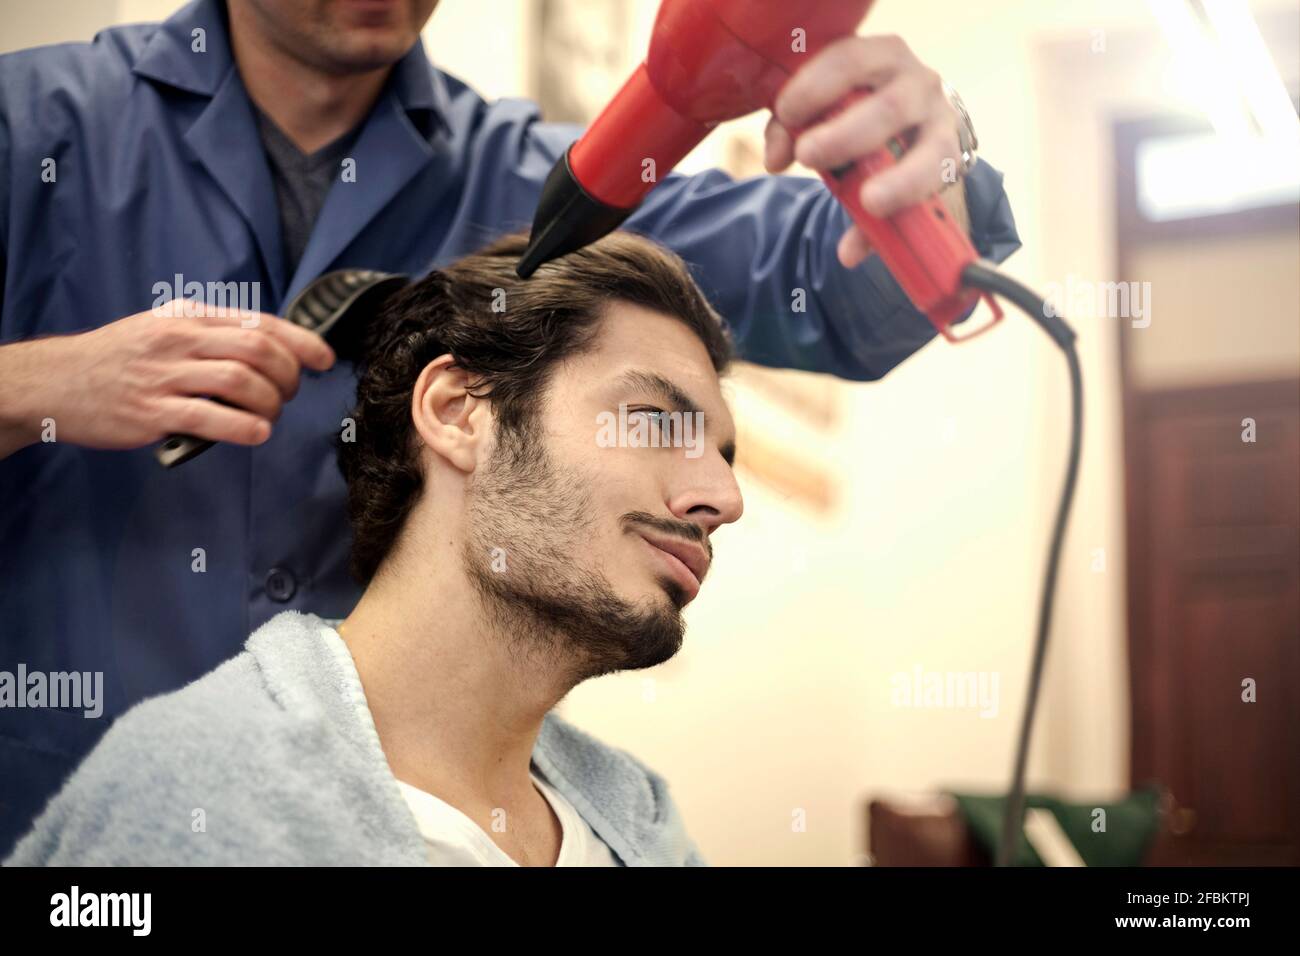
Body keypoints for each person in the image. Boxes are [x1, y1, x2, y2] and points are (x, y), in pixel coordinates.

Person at [0, 0, 1021, 856]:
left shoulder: (555, 188)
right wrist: (34, 383)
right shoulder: (32, 131)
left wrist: (926, 159)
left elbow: (838, 287)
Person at [8, 229, 740, 866]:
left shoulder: (640, 825)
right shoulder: (192, 789)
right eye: (655, 422)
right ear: (457, 413)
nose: (724, 499)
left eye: (724, 457)